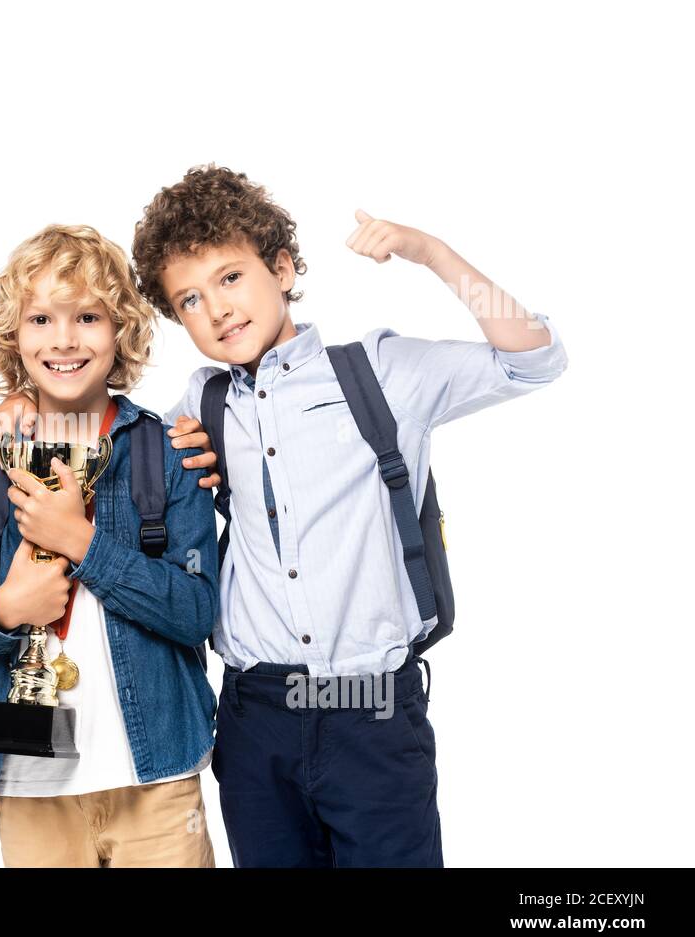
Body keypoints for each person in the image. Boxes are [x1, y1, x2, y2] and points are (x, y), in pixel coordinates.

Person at [131, 163, 569, 866]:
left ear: (280, 268)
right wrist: (21, 415)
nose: (215, 309)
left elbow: (536, 359)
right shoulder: (202, 402)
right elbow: (114, 458)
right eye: (188, 298)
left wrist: (432, 253)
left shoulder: (377, 372)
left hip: (372, 714)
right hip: (254, 717)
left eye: (231, 278)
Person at [0, 224, 219, 867]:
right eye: (41, 318)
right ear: (13, 335)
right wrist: (5, 608)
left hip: (158, 777)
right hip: (31, 779)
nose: (63, 339)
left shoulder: (166, 453)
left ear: (121, 329)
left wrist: (83, 544)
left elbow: (198, 613)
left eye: (87, 316)